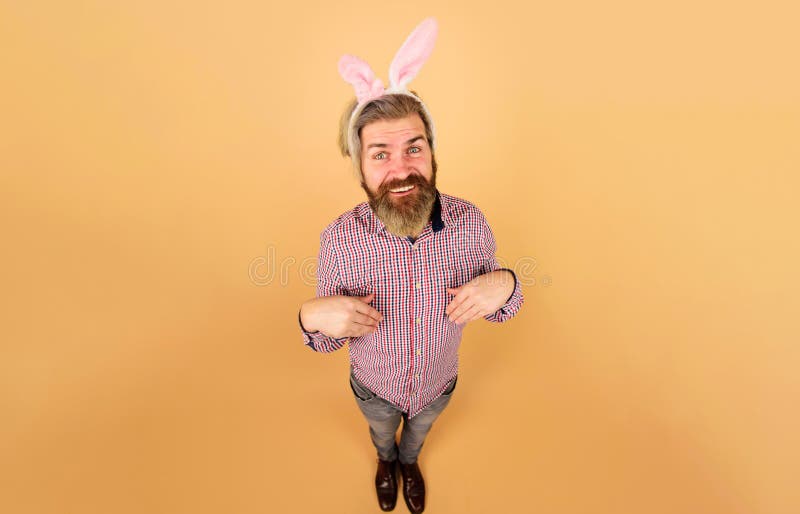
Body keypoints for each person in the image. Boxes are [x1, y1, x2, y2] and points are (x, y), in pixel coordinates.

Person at [297, 18, 524, 514]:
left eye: (413, 148)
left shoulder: (471, 223)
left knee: (418, 435)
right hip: (373, 388)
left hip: (439, 384)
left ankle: (410, 462)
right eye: (380, 154)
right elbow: (326, 338)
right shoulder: (339, 239)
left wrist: (506, 284)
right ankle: (386, 462)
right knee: (383, 434)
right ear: (359, 166)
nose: (401, 170)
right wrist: (309, 317)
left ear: (432, 152)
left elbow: (502, 304)